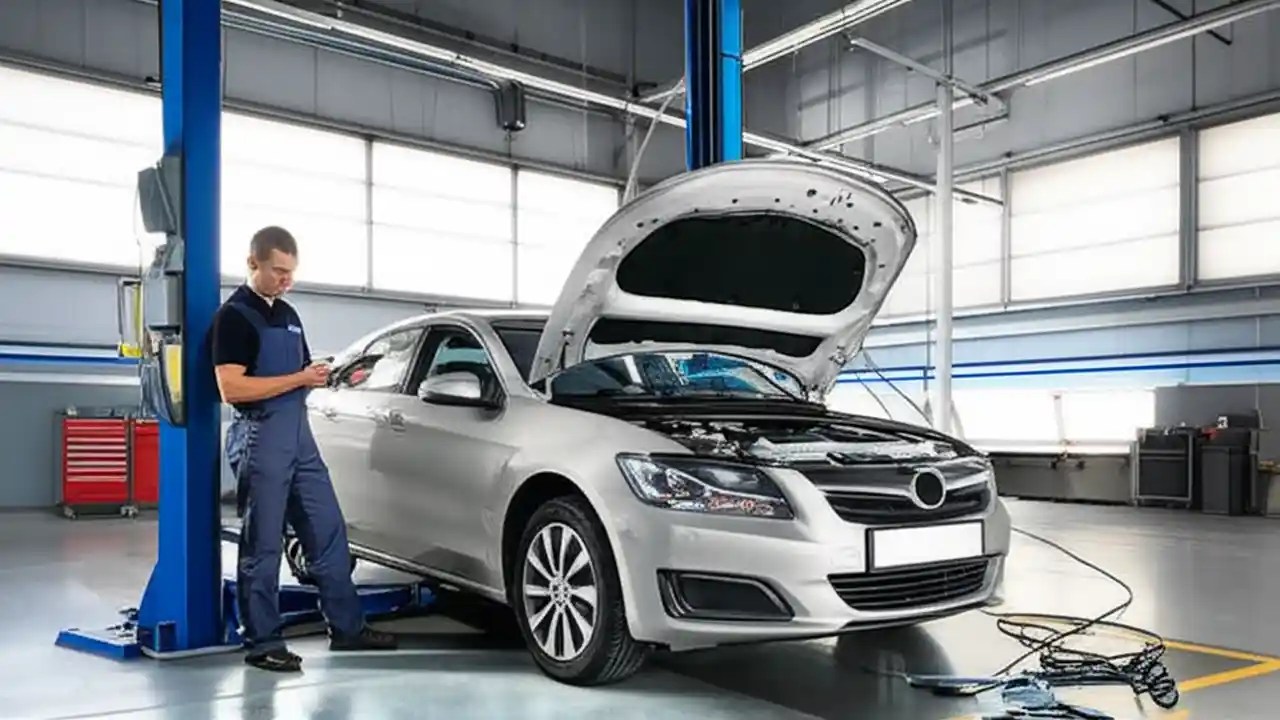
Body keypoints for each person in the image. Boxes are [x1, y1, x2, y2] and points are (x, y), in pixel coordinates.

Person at [211, 226, 397, 672]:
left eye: (291, 273)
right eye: (278, 271)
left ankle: (348, 629)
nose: (286, 280)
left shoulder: (289, 314)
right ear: (253, 263)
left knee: (329, 533)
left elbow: (301, 373)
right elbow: (230, 387)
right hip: (261, 439)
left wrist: (328, 376)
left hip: (300, 438)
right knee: (263, 545)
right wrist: (299, 379)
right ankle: (262, 643)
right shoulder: (233, 317)